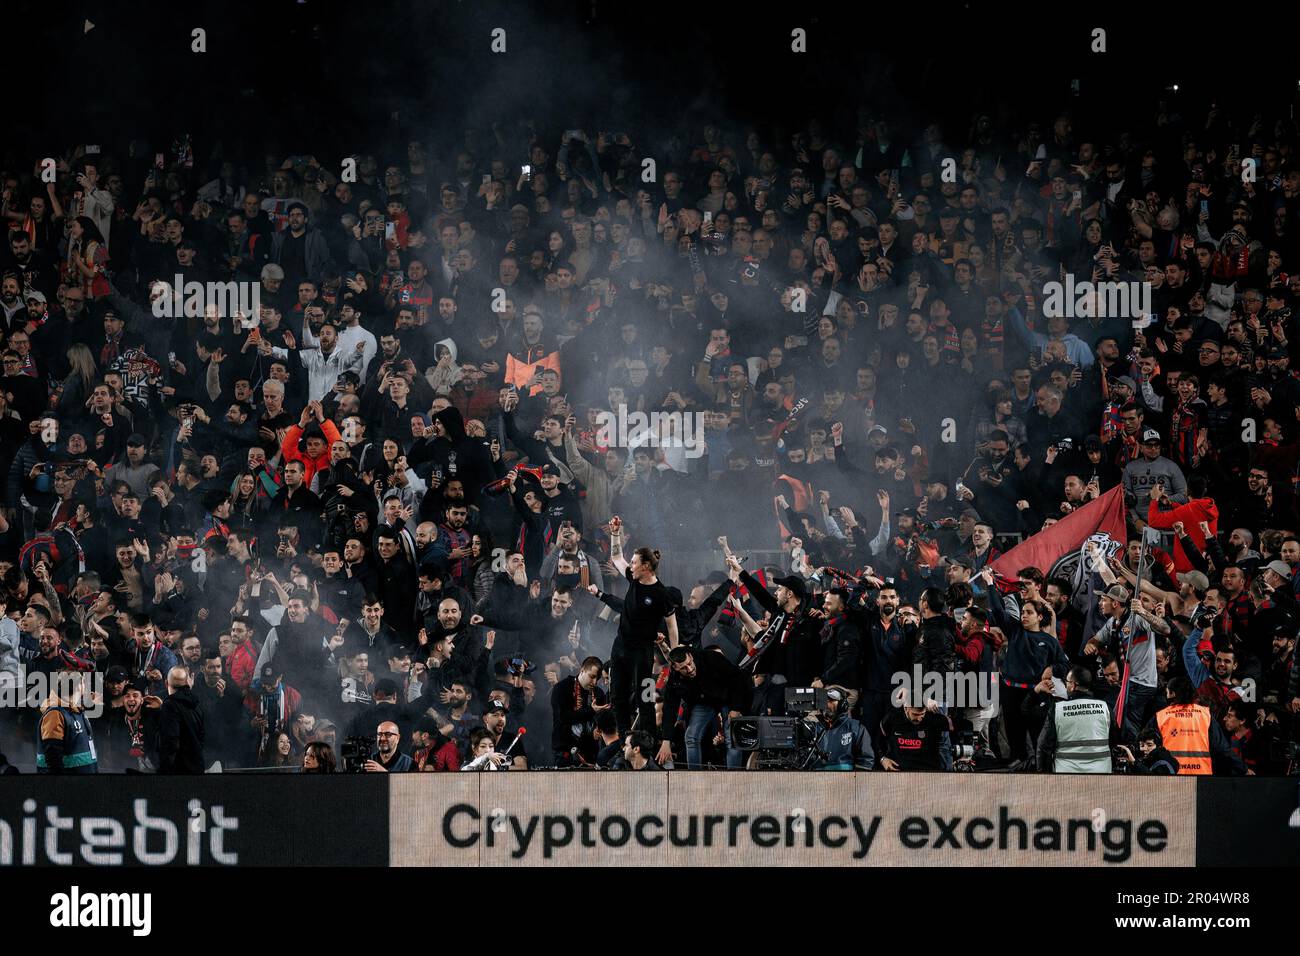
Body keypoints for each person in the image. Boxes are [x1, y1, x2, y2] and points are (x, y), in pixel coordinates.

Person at [589, 526, 680, 736]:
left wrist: (675, 653)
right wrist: (614, 534)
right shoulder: (633, 578)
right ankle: (623, 739)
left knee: (644, 698)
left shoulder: (661, 594)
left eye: (634, 562)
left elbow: (672, 625)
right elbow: (616, 557)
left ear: (645, 567)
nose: (630, 565)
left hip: (643, 652)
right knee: (617, 695)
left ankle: (648, 739)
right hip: (620, 647)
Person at [658, 644, 750, 769]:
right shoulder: (674, 679)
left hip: (728, 698)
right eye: (684, 668)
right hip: (704, 701)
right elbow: (669, 708)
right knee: (691, 737)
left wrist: (736, 708)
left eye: (690, 663)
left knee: (732, 738)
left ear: (690, 656)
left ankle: (734, 776)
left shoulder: (711, 657)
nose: (690, 669)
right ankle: (695, 776)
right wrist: (666, 741)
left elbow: (738, 678)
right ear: (675, 667)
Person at [1150, 677, 1245, 776]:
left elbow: (1146, 743)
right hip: (1201, 776)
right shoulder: (1205, 714)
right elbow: (1222, 748)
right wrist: (1244, 769)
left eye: (1167, 692)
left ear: (1172, 693)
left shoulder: (1161, 716)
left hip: (1171, 774)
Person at [1035, 667, 1114, 774]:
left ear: (1073, 685)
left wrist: (1043, 776)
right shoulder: (1105, 707)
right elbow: (1115, 740)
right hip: (1102, 773)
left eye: (1067, 682)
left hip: (1066, 774)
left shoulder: (1058, 709)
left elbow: (1043, 746)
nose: (1066, 685)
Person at [809, 685, 874, 770]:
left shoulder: (856, 727)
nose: (827, 703)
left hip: (845, 777)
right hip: (816, 777)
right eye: (825, 700)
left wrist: (855, 778)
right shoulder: (813, 728)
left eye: (831, 700)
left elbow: (866, 762)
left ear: (842, 705)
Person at [158, 665, 206, 773]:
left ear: (166, 683)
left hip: (179, 772)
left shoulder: (169, 706)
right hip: (197, 768)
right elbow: (202, 738)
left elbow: (170, 742)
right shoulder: (197, 704)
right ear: (187, 683)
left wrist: (164, 772)